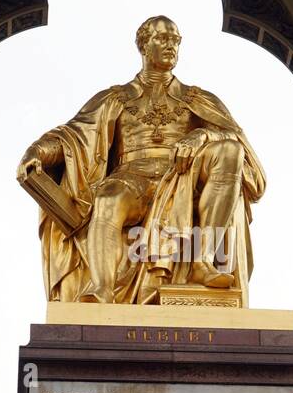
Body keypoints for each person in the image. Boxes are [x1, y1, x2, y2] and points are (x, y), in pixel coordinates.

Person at [17, 15, 266, 303]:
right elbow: (72, 135)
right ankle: (101, 288)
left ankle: (203, 261)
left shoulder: (198, 99)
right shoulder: (116, 98)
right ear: (144, 45)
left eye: (175, 39)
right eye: (162, 38)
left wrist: (203, 136)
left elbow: (237, 142)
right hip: (131, 179)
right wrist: (36, 152)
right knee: (108, 199)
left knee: (229, 150)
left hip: (182, 180)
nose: (171, 45)